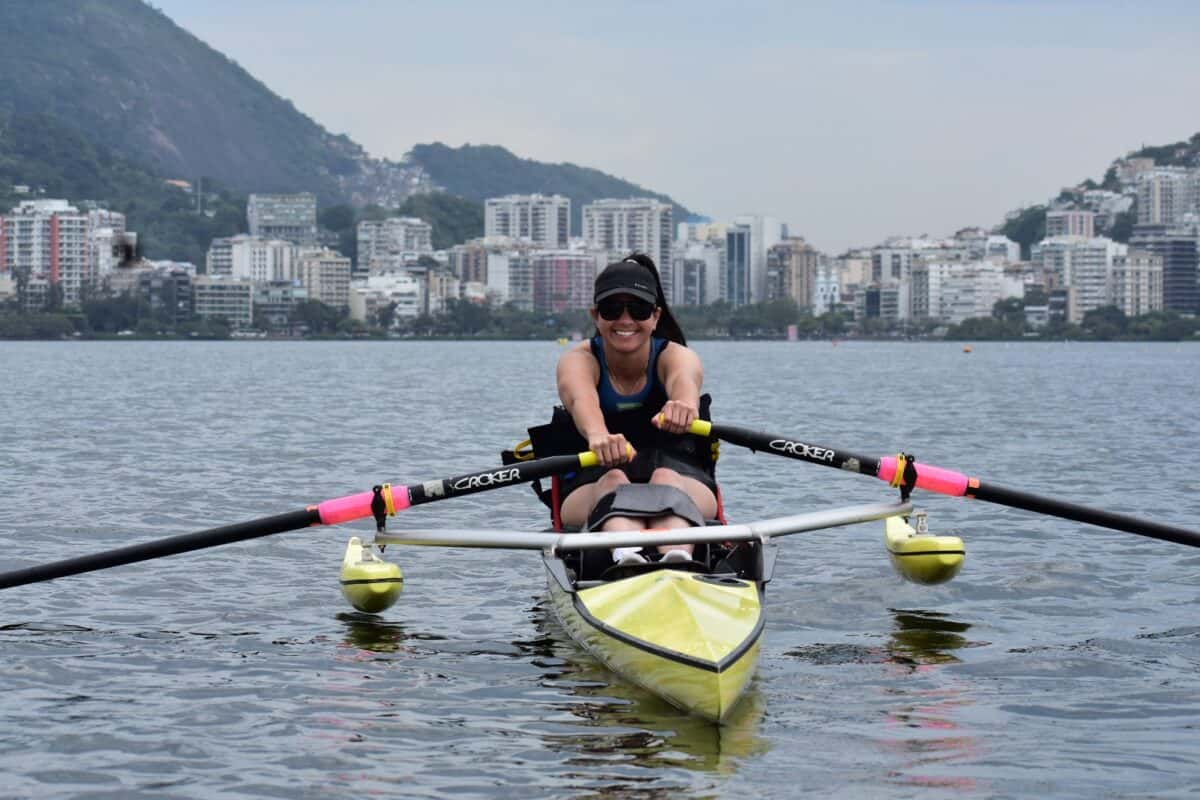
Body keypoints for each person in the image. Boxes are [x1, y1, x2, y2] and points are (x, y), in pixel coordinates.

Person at [556, 253, 718, 565]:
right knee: (614, 478)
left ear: (655, 316)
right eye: (612, 309)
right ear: (596, 315)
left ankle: (676, 559)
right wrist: (599, 436)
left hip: (681, 479)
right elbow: (581, 400)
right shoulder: (578, 360)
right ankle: (628, 560)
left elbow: (685, 382)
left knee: (665, 477)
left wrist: (684, 407)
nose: (626, 320)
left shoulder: (676, 356)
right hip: (593, 483)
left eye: (639, 309)